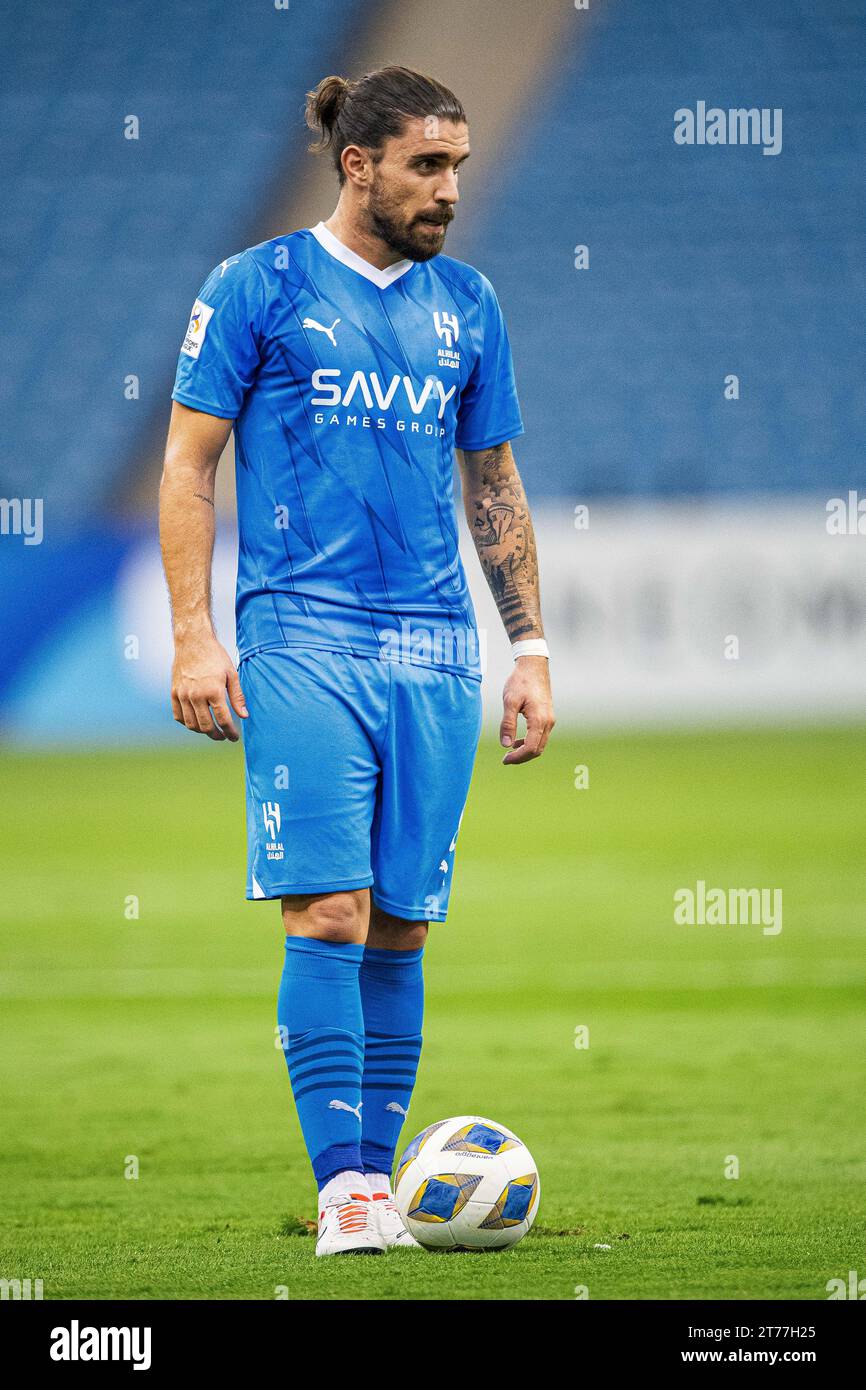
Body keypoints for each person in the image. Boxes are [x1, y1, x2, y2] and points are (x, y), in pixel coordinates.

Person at [159, 65, 554, 1256]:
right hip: (301, 634)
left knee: (399, 926)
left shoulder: (467, 304)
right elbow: (187, 468)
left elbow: (492, 482)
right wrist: (192, 631)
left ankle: (380, 1186)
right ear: (357, 164)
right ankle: (345, 1194)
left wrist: (527, 644)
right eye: (426, 166)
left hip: (433, 647)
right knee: (324, 909)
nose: (446, 190)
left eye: (458, 168)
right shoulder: (258, 287)